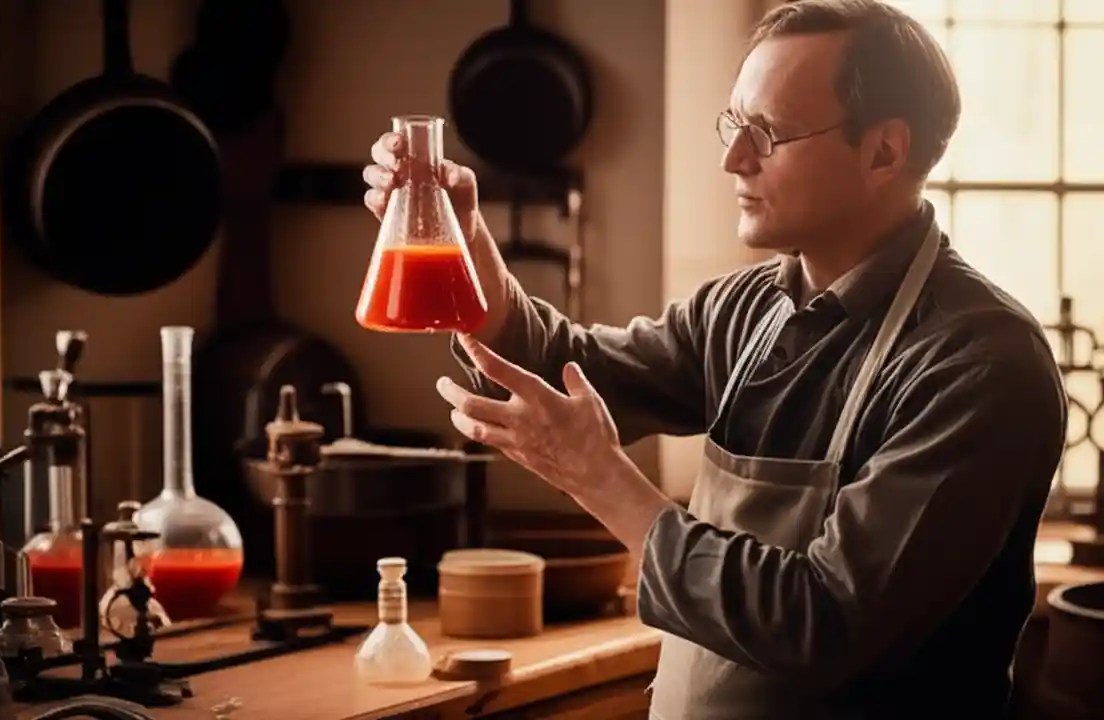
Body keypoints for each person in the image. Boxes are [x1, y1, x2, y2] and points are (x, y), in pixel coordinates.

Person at [363, 1, 1067, 716]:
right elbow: (568, 371)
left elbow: (824, 622)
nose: (733, 158)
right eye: (734, 125)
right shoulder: (740, 310)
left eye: (767, 133)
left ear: (884, 151)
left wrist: (603, 482)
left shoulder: (980, 363)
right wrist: (469, 243)